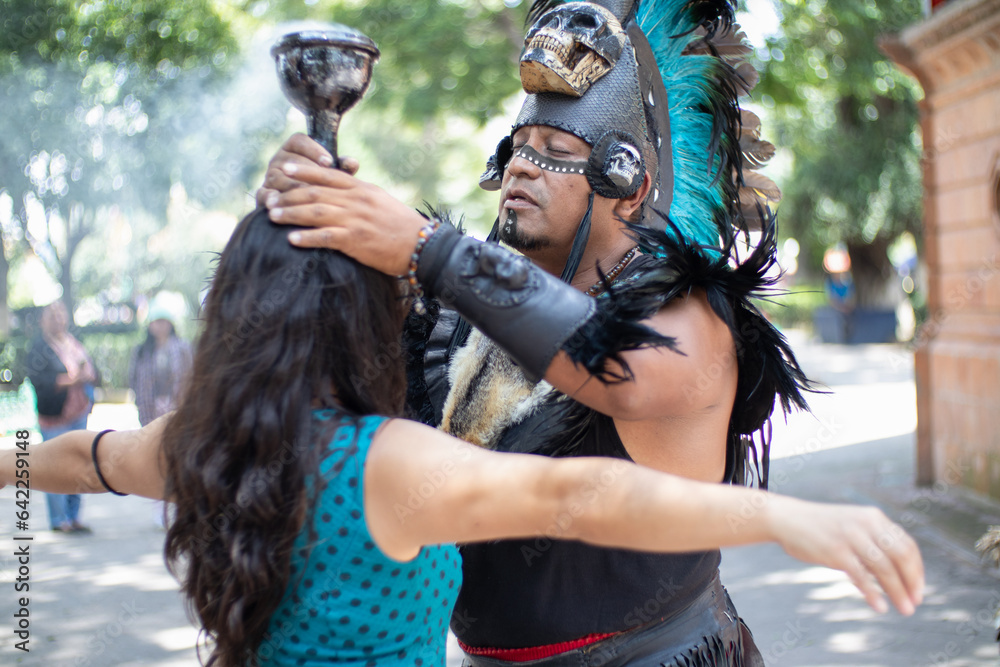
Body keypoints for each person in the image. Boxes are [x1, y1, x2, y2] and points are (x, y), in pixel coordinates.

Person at [1, 208, 923, 667]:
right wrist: (781, 516)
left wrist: (6, 461)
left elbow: (87, 455)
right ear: (363, 319)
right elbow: (579, 496)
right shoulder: (383, 464)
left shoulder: (195, 445)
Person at [254, 1, 841, 664]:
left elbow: (620, 366)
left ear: (627, 180)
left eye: (557, 153)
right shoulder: (453, 307)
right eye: (518, 150)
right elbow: (315, 361)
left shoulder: (692, 319)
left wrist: (426, 247)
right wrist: (301, 206)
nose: (523, 167)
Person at [25, 299, 97, 534]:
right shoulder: (39, 348)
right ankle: (59, 519)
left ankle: (74, 516)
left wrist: (85, 377)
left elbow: (90, 371)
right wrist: (69, 381)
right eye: (51, 314)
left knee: (79, 465)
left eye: (60, 313)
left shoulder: (74, 343)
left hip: (79, 414)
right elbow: (39, 380)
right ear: (42, 320)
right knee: (55, 466)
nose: (56, 317)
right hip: (54, 418)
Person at [129, 296, 192, 427]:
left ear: (170, 324)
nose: (160, 326)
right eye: (156, 322)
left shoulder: (183, 348)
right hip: (149, 408)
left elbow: (191, 375)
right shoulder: (141, 351)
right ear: (150, 325)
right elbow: (133, 378)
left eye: (163, 322)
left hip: (177, 407)